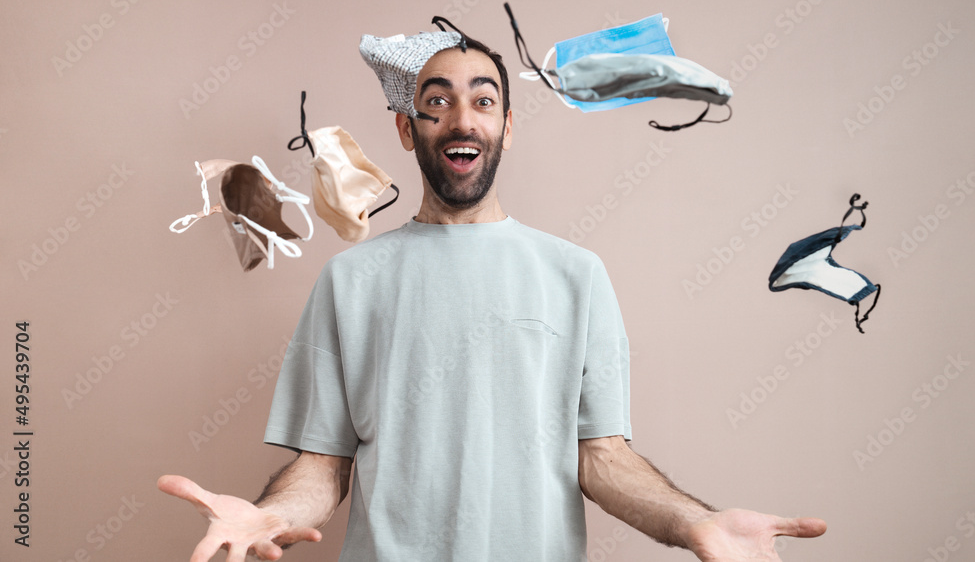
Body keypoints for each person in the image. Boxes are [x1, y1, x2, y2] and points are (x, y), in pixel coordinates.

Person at [159, 30, 827, 561]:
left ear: (506, 125)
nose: (461, 119)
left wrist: (696, 521)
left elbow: (602, 456)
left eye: (482, 101)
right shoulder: (350, 281)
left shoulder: (577, 275)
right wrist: (270, 514)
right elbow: (323, 464)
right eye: (437, 100)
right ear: (405, 127)